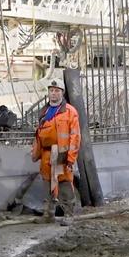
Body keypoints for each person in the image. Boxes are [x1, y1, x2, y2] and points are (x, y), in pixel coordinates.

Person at [31, 79, 82, 221]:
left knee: (64, 182)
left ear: (62, 93)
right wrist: (35, 152)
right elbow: (38, 134)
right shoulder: (44, 111)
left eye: (57, 91)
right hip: (46, 154)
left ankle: (69, 214)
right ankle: (48, 214)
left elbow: (75, 136)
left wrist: (71, 158)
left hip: (61, 153)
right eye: (51, 90)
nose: (53, 93)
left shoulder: (70, 112)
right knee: (47, 183)